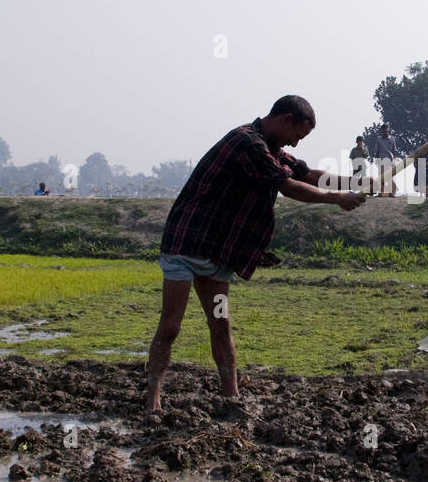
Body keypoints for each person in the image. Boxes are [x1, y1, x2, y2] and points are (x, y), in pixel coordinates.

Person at [147, 95, 366, 413]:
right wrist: (335, 198)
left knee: (221, 325)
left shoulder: (273, 150)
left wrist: (358, 182)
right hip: (186, 245)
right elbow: (287, 185)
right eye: (298, 135)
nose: (297, 143)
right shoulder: (247, 143)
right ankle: (153, 398)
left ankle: (231, 397)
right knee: (170, 327)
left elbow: (307, 174)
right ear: (285, 120)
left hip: (218, 253)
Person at [373, 123, 399, 197]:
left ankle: (391, 192)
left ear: (388, 130)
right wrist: (377, 160)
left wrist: (394, 160)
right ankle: (381, 192)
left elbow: (394, 150)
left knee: (389, 177)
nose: (385, 132)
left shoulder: (392, 139)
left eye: (387, 130)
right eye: (384, 130)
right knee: (381, 177)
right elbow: (376, 151)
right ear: (382, 130)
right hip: (381, 160)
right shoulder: (379, 139)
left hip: (390, 160)